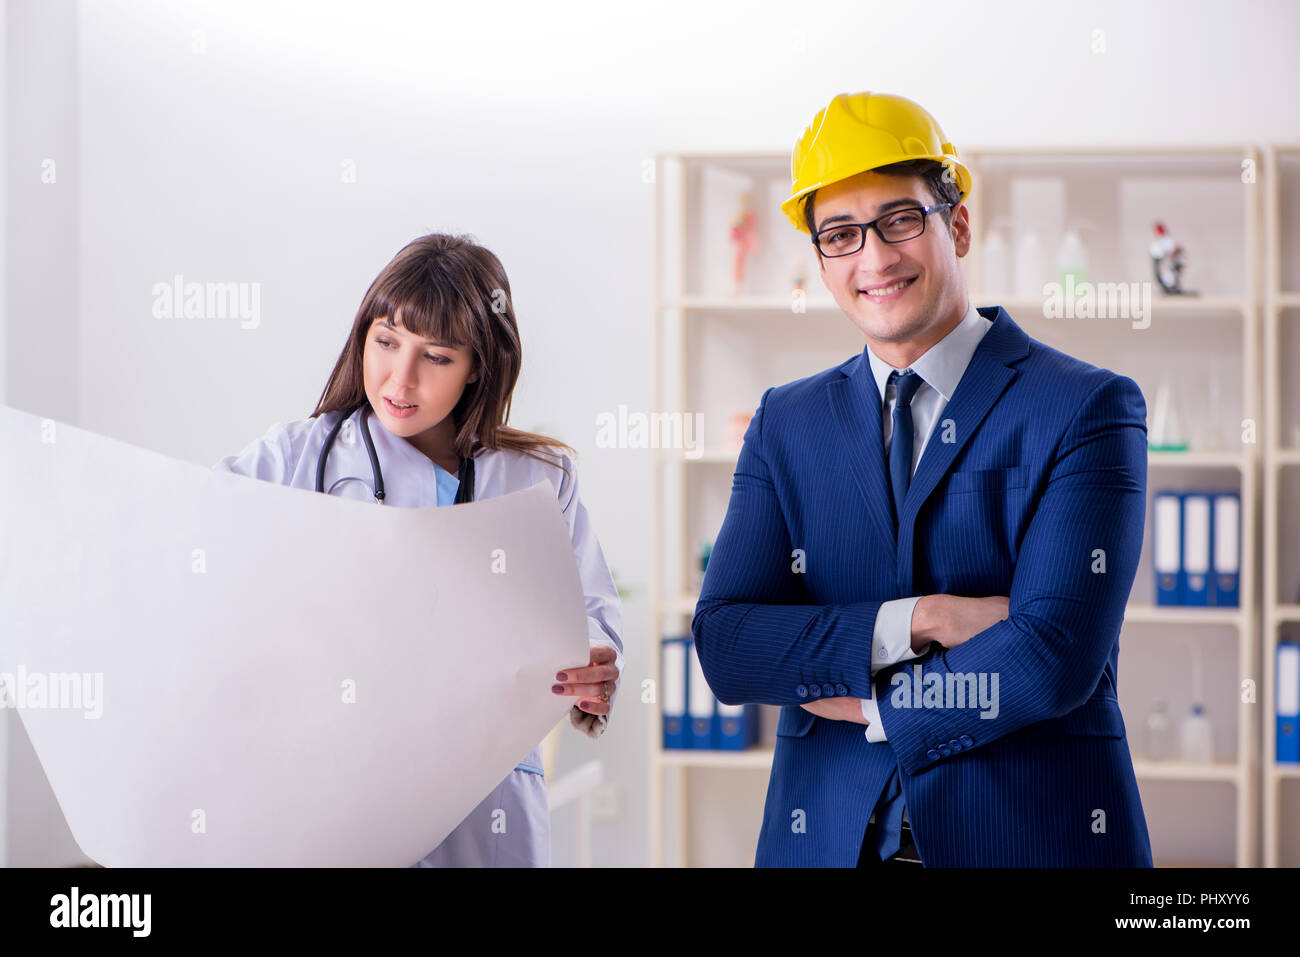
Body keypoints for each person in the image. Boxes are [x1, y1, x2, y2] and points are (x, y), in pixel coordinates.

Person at [692, 92, 1153, 867]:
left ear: (958, 224)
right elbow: (728, 645)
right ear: (820, 259)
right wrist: (925, 618)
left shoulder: (1086, 406)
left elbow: (1050, 656)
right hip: (826, 843)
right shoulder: (786, 423)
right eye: (840, 234)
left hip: (1030, 841)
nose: (874, 259)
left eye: (900, 219)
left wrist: (873, 702)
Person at [213, 233, 623, 867]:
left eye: (435, 356)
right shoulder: (292, 459)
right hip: (329, 786)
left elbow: (589, 614)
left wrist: (592, 668)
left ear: (478, 365)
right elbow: (192, 550)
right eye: (385, 342)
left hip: (483, 795)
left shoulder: (536, 480)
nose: (398, 379)